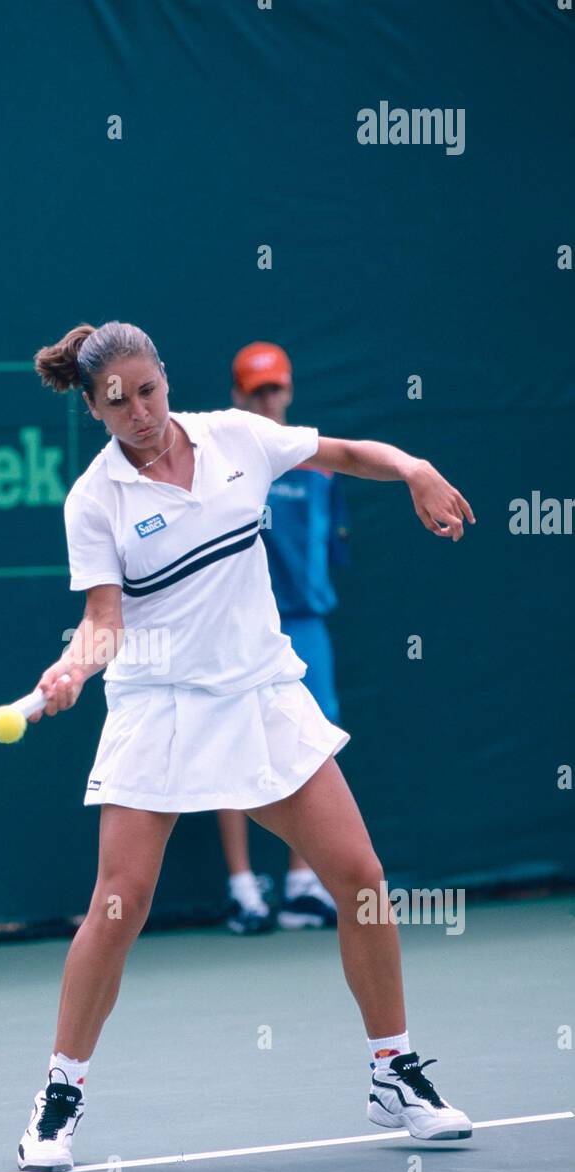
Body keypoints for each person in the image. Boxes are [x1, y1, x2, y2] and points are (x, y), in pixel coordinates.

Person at [18, 321, 474, 1172]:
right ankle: (60, 1092)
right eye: (117, 404)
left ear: (164, 377)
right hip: (158, 707)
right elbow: (103, 622)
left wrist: (412, 467)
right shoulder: (95, 498)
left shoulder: (238, 437)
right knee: (118, 905)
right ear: (93, 408)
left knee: (362, 880)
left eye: (148, 391)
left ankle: (394, 1072)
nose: (140, 414)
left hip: (260, 693)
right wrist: (71, 672)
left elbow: (341, 453)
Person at [216, 341, 348, 932]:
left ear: (289, 390)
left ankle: (302, 884)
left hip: (305, 626)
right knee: (228, 748)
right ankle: (244, 889)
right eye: (258, 390)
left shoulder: (318, 464)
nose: (270, 399)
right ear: (240, 395)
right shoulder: (225, 463)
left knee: (311, 748)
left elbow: (332, 546)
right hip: (238, 630)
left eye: (277, 388)